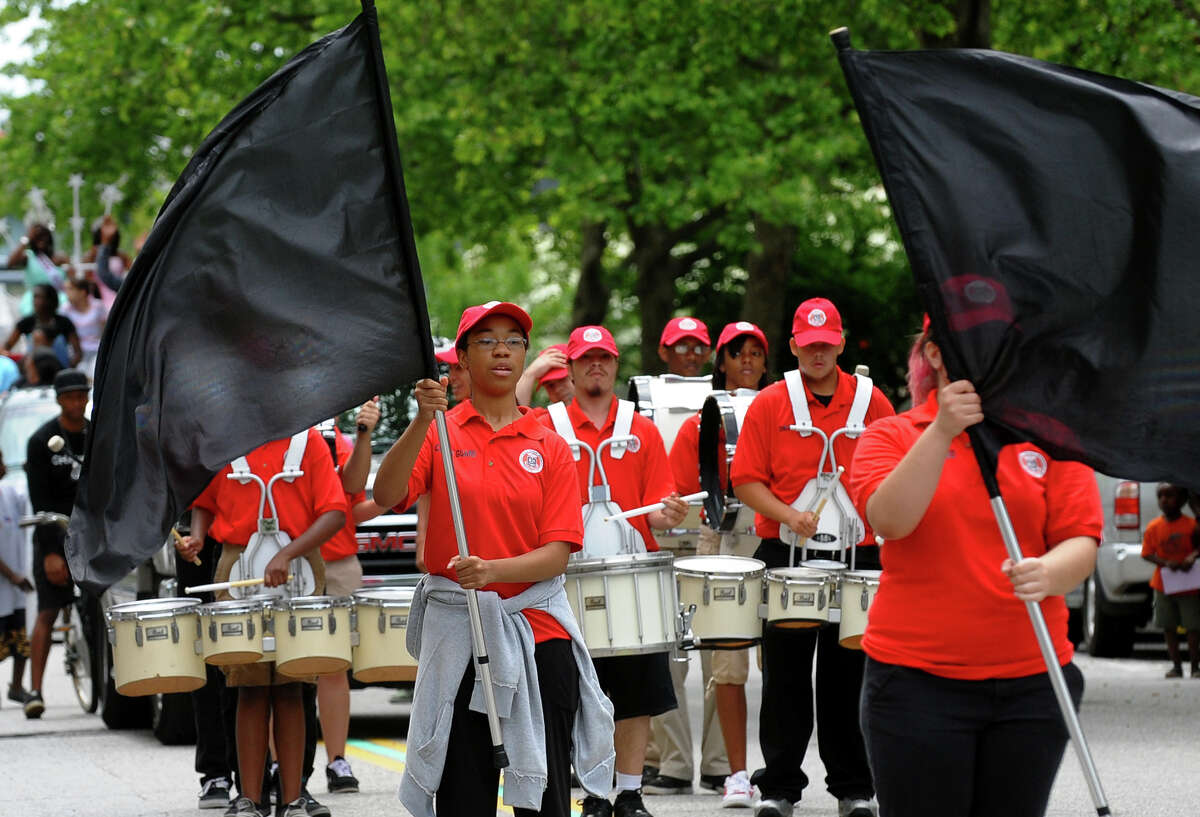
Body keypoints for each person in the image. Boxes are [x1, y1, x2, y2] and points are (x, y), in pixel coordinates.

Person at [847, 316, 1101, 817]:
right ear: (936, 354)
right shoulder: (890, 435)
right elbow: (890, 521)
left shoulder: (1051, 438)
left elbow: (1081, 541)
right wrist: (942, 429)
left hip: (1032, 682)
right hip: (914, 684)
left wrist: (1048, 573)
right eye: (973, 342)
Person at [372, 301, 615, 817]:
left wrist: (492, 572)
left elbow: (556, 556)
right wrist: (422, 420)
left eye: (513, 339)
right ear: (460, 358)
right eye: (485, 340)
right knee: (464, 790)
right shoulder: (439, 433)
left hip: (537, 631)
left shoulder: (549, 444)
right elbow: (389, 491)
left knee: (545, 791)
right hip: (461, 636)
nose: (502, 349)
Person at [731, 298, 893, 817]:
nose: (818, 353)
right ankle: (778, 786)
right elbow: (746, 479)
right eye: (809, 344)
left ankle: (854, 788)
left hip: (858, 551)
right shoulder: (771, 403)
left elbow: (896, 470)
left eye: (827, 345)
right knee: (786, 674)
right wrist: (787, 513)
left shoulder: (874, 402)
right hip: (787, 550)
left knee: (850, 671)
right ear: (795, 345)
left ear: (840, 343)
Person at [539, 323, 688, 817]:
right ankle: (594, 792)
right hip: (566, 574)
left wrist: (669, 514)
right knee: (579, 690)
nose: (595, 365)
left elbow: (660, 509)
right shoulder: (548, 424)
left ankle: (628, 793)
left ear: (616, 364)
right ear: (572, 367)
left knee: (635, 688)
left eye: (603, 357)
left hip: (631, 580)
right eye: (585, 359)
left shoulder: (641, 428)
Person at [182, 429, 347, 817]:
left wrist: (288, 554)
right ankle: (249, 798)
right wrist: (197, 537)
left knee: (292, 685)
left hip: (300, 563)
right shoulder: (225, 440)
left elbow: (335, 512)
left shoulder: (308, 444)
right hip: (237, 564)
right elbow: (205, 502)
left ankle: (293, 797)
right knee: (248, 686)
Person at [667, 321, 770, 808]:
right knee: (726, 661)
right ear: (722, 363)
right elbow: (687, 492)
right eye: (737, 353)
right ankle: (733, 772)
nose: (747, 361)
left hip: (772, 534)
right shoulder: (697, 424)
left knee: (780, 663)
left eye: (755, 353)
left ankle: (773, 765)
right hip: (721, 537)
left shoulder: (778, 414)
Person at [644, 314, 729, 797]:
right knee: (671, 658)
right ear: (664, 351)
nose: (692, 354)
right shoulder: (651, 397)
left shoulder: (734, 404)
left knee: (722, 656)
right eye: (682, 346)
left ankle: (717, 763)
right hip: (670, 539)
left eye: (699, 347)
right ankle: (671, 764)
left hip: (720, 537)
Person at [316, 400, 384, 795]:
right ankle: (276, 765)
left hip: (338, 563)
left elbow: (352, 499)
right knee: (281, 671)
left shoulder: (336, 440)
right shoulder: (275, 435)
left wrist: (391, 498)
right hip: (286, 562)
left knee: (334, 665)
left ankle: (337, 760)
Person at [22, 368, 91, 718]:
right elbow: (40, 502)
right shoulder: (40, 441)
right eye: (70, 397)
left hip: (92, 535)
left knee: (99, 605)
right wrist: (51, 553)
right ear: (59, 398)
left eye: (82, 395)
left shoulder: (96, 436)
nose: (77, 403)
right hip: (54, 532)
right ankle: (35, 690)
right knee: (48, 610)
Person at [1140, 483, 1200, 678]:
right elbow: (1147, 553)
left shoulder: (1192, 525)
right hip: (1163, 584)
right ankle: (1176, 666)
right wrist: (1165, 562)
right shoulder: (1154, 527)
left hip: (1189, 585)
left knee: (1193, 626)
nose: (1164, 500)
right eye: (1160, 496)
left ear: (1182, 500)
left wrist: (1191, 557)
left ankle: (1195, 666)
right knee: (1168, 626)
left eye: (1169, 495)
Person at [0, 460, 32, 708]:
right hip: (7, 581)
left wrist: (34, 471)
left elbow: (28, 504)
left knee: (20, 640)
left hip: (16, 582)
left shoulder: (8, 491)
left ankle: (16, 686)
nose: (3, 464)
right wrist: (12, 576)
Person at [4, 283, 83, 368]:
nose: (35, 301)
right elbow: (5, 348)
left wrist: (68, 368)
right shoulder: (26, 322)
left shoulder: (64, 322)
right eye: (35, 297)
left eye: (39, 297)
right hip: (34, 372)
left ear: (50, 300)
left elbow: (78, 352)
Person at [6, 223, 68, 316]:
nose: (41, 240)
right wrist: (26, 238)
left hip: (59, 298)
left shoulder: (60, 258)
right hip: (34, 300)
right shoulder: (28, 257)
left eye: (44, 236)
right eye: (37, 237)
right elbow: (10, 263)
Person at [61, 277, 106, 379]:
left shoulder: (98, 306)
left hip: (97, 351)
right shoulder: (64, 310)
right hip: (77, 353)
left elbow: (105, 331)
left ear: (82, 292)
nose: (66, 293)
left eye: (70, 289)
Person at [516, 343, 573, 409]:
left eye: (562, 380)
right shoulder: (551, 417)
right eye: (550, 386)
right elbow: (514, 413)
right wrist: (529, 374)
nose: (557, 390)